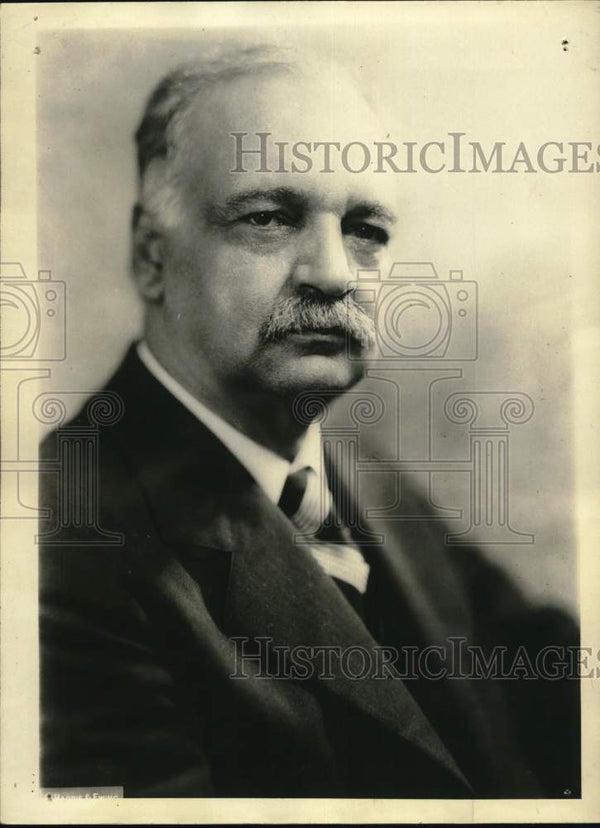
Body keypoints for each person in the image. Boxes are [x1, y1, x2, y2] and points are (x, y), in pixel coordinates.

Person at [39, 45, 579, 799]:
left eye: (366, 230)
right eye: (268, 217)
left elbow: (557, 684)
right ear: (151, 256)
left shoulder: (363, 479)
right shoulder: (56, 547)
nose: (332, 273)